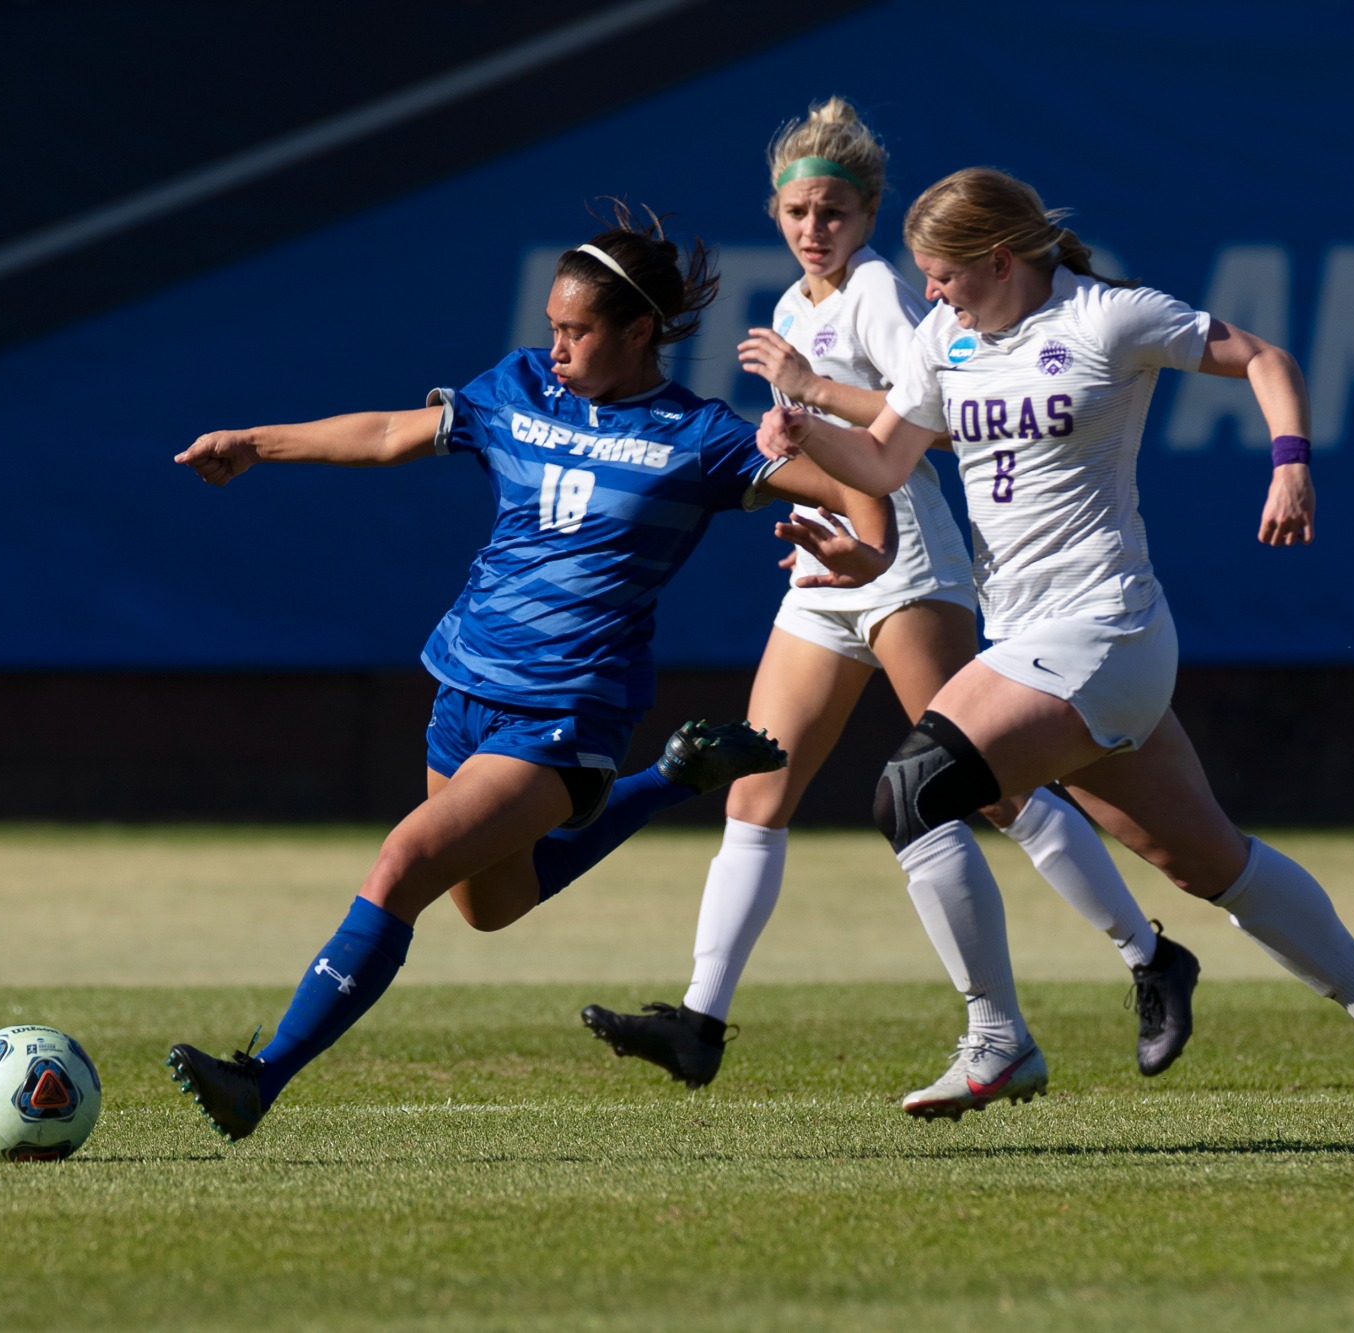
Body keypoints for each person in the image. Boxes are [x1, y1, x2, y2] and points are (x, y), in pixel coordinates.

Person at [164, 208, 903, 1143]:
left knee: (400, 865)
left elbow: (861, 482)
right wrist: (256, 443)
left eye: (576, 330)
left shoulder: (704, 439)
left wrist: (866, 557)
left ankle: (258, 1079)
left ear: (639, 333)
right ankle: (668, 779)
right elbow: (393, 431)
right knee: (489, 904)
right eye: (551, 326)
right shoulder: (516, 388)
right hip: (464, 690)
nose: (553, 346)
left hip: (565, 711)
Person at [761, 167, 1354, 1156]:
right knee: (1207, 862)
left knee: (910, 789)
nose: (929, 293)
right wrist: (808, 435)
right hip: (1032, 643)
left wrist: (1289, 460)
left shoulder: (1105, 318)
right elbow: (880, 461)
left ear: (999, 259)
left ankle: (995, 1038)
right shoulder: (941, 340)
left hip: (1107, 628)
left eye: (944, 274)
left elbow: (1263, 357)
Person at [580, 99, 1200, 1095]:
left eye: (830, 210)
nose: (811, 228)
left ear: (867, 214)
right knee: (756, 790)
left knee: (992, 792)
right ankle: (698, 1020)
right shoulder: (792, 306)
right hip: (827, 572)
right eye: (795, 211)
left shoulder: (876, 294)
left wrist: (809, 392)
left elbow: (941, 424)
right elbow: (814, 442)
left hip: (908, 564)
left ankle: (1141, 956)